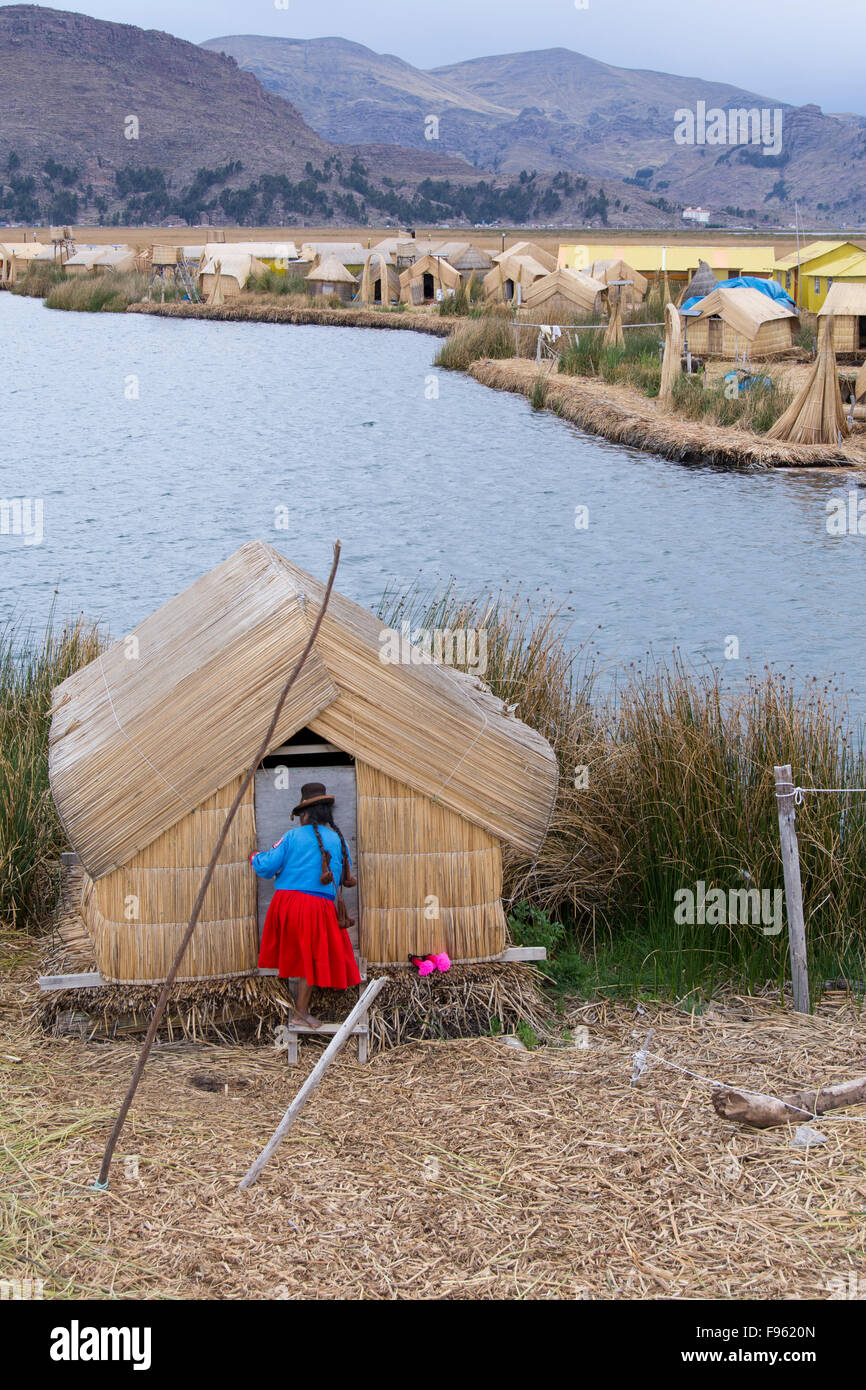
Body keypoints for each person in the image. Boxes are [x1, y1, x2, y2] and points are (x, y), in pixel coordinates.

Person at [250, 782, 360, 1028]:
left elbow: (266, 867)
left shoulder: (292, 836)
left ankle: (299, 1013)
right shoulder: (338, 841)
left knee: (300, 956)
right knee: (311, 958)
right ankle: (300, 1012)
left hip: (289, 904)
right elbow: (344, 875)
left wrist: (254, 857)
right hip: (320, 908)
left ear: (305, 813)